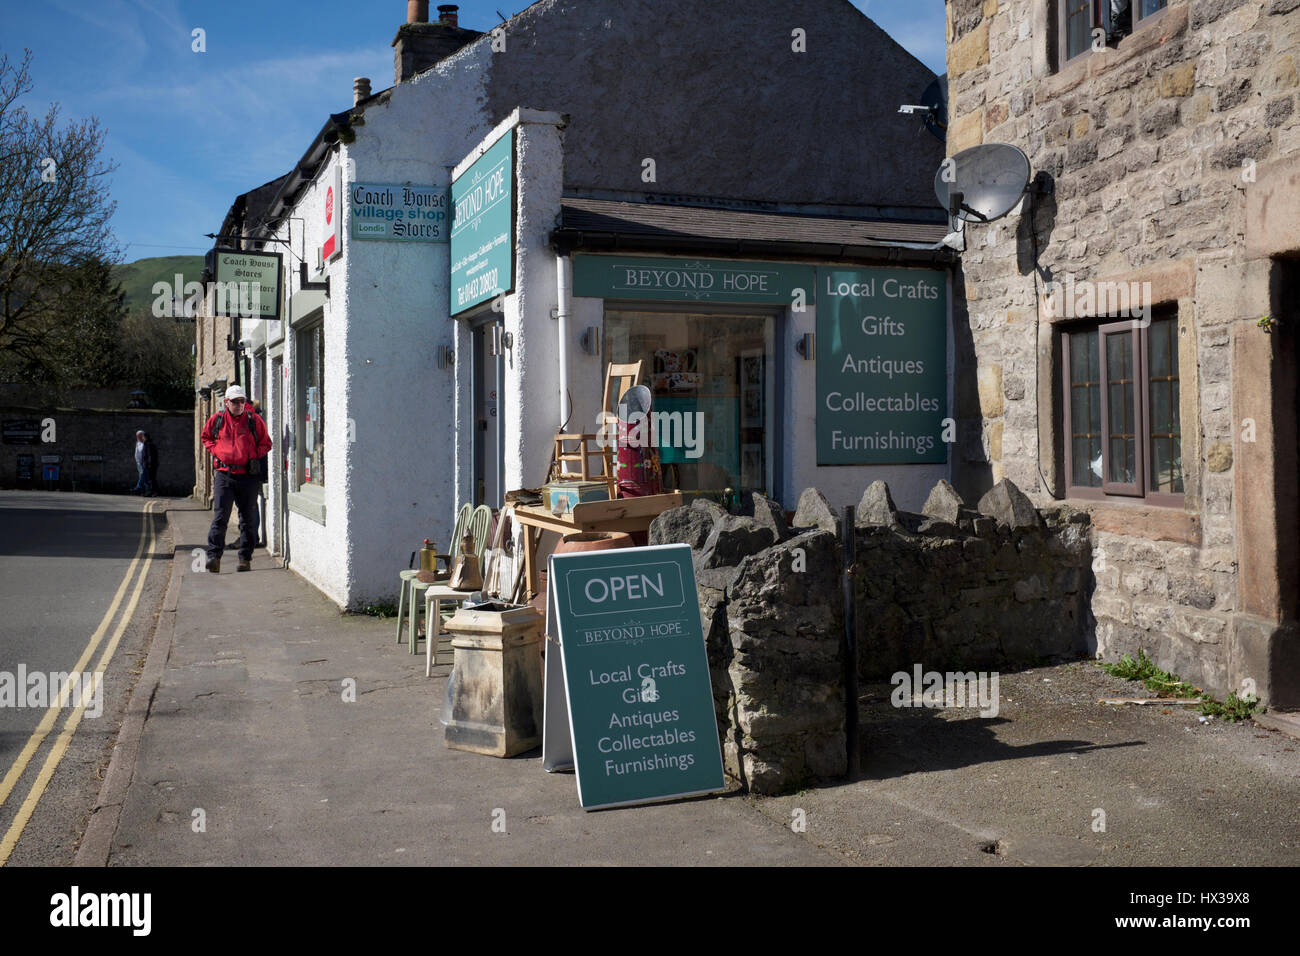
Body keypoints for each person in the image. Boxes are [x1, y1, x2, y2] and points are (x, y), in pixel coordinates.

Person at [200, 384, 272, 573]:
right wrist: (216, 451)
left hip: (248, 476)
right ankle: (214, 556)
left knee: (247, 519)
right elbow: (206, 437)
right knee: (220, 517)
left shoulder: (254, 420)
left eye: (242, 401)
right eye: (235, 401)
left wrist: (253, 454)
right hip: (224, 475)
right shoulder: (217, 419)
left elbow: (267, 443)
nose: (239, 405)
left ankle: (245, 559)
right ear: (227, 402)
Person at [132, 430, 151, 496]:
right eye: (137, 436)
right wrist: (138, 462)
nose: (139, 437)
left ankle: (138, 488)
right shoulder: (138, 443)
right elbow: (137, 453)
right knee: (143, 476)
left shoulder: (146, 443)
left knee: (143, 476)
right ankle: (143, 491)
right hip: (139, 463)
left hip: (144, 463)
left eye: (140, 436)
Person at [141, 431, 159, 497]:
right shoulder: (149, 443)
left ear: (145, 437)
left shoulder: (148, 444)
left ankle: (153, 492)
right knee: (151, 479)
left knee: (150, 479)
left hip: (150, 465)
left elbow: (149, 455)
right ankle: (152, 492)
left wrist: (149, 464)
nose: (142, 438)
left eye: (143, 437)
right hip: (151, 464)